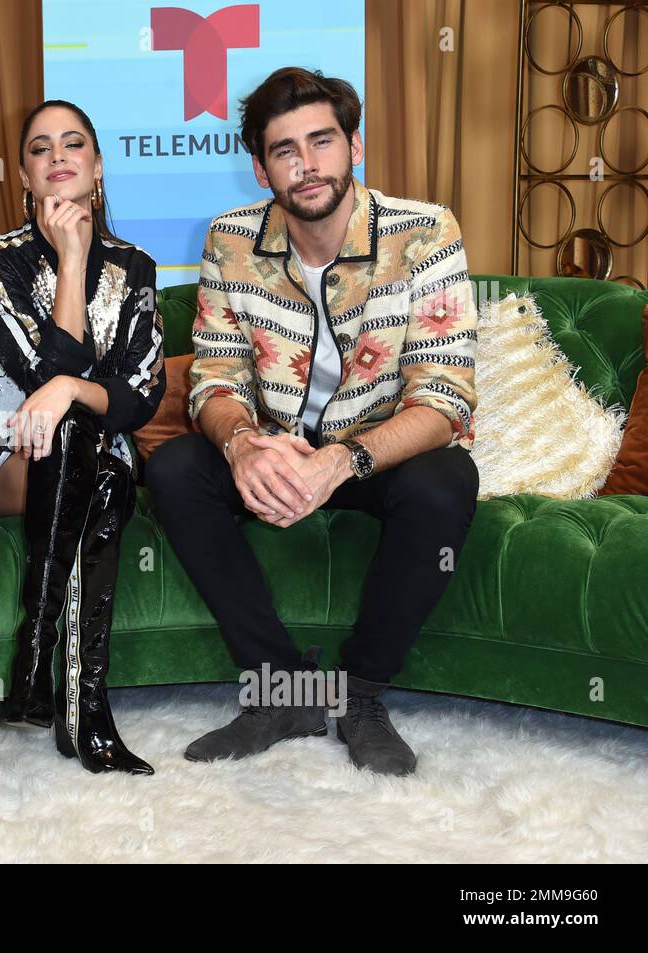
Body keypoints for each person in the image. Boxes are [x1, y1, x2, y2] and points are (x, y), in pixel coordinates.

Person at [147, 68, 480, 776]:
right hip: (277, 450)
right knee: (176, 468)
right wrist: (241, 446)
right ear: (261, 166)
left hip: (380, 454)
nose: (306, 163)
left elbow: (446, 397)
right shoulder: (232, 240)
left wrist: (342, 461)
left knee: (448, 479)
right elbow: (214, 378)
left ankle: (361, 693)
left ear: (354, 145)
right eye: (284, 149)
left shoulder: (425, 232)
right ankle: (283, 692)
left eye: (322, 141)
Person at [0, 100, 166, 775]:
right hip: (5, 452)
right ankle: (67, 689)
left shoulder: (136, 267)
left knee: (100, 464)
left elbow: (141, 395)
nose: (58, 157)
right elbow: (41, 375)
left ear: (98, 166)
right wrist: (73, 263)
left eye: (74, 144)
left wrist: (77, 391)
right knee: (73, 423)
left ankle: (63, 686)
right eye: (41, 149)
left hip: (96, 452)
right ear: (23, 175)